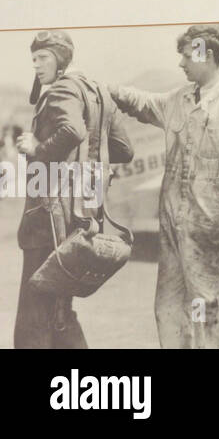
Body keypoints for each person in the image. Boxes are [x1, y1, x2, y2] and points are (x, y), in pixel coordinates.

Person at [110, 24, 219, 349]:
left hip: (212, 230)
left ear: (208, 55)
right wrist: (109, 91)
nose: (181, 63)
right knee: (168, 309)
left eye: (187, 56)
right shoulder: (179, 99)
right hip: (175, 228)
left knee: (207, 312)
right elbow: (144, 104)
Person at [14, 30, 133, 349]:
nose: (37, 66)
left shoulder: (63, 88)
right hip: (84, 217)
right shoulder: (98, 93)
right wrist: (88, 164)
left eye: (43, 58)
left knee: (33, 316)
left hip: (49, 216)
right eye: (34, 59)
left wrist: (38, 148)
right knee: (61, 313)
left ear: (60, 58)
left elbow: (73, 130)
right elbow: (123, 150)